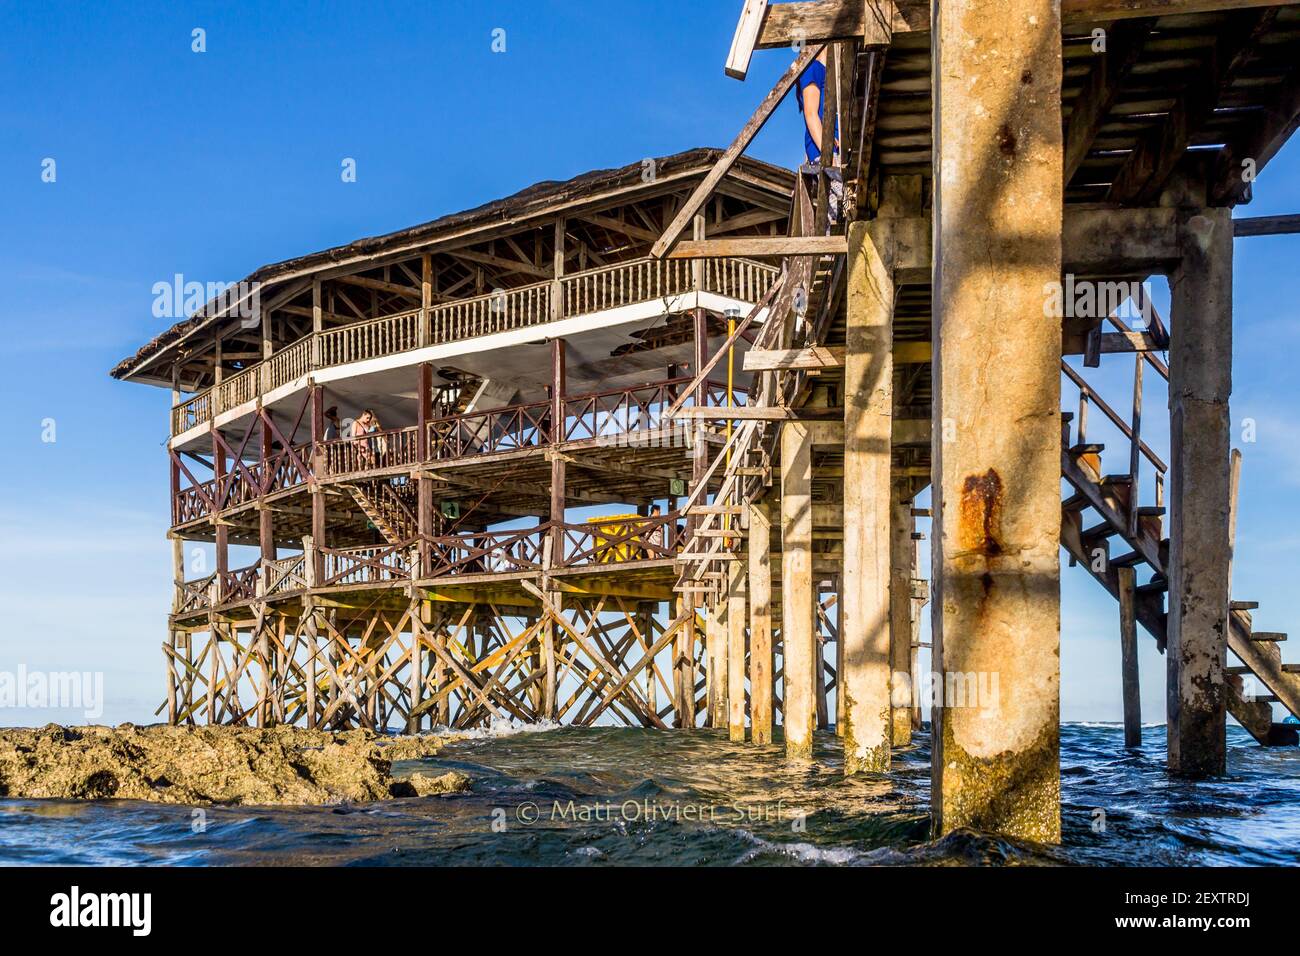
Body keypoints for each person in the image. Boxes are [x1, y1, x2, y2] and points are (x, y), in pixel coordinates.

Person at [796, 47, 844, 224]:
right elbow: (811, 114)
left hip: (836, 150)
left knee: (841, 209)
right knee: (837, 208)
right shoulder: (812, 67)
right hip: (824, 152)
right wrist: (827, 153)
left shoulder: (831, 72)